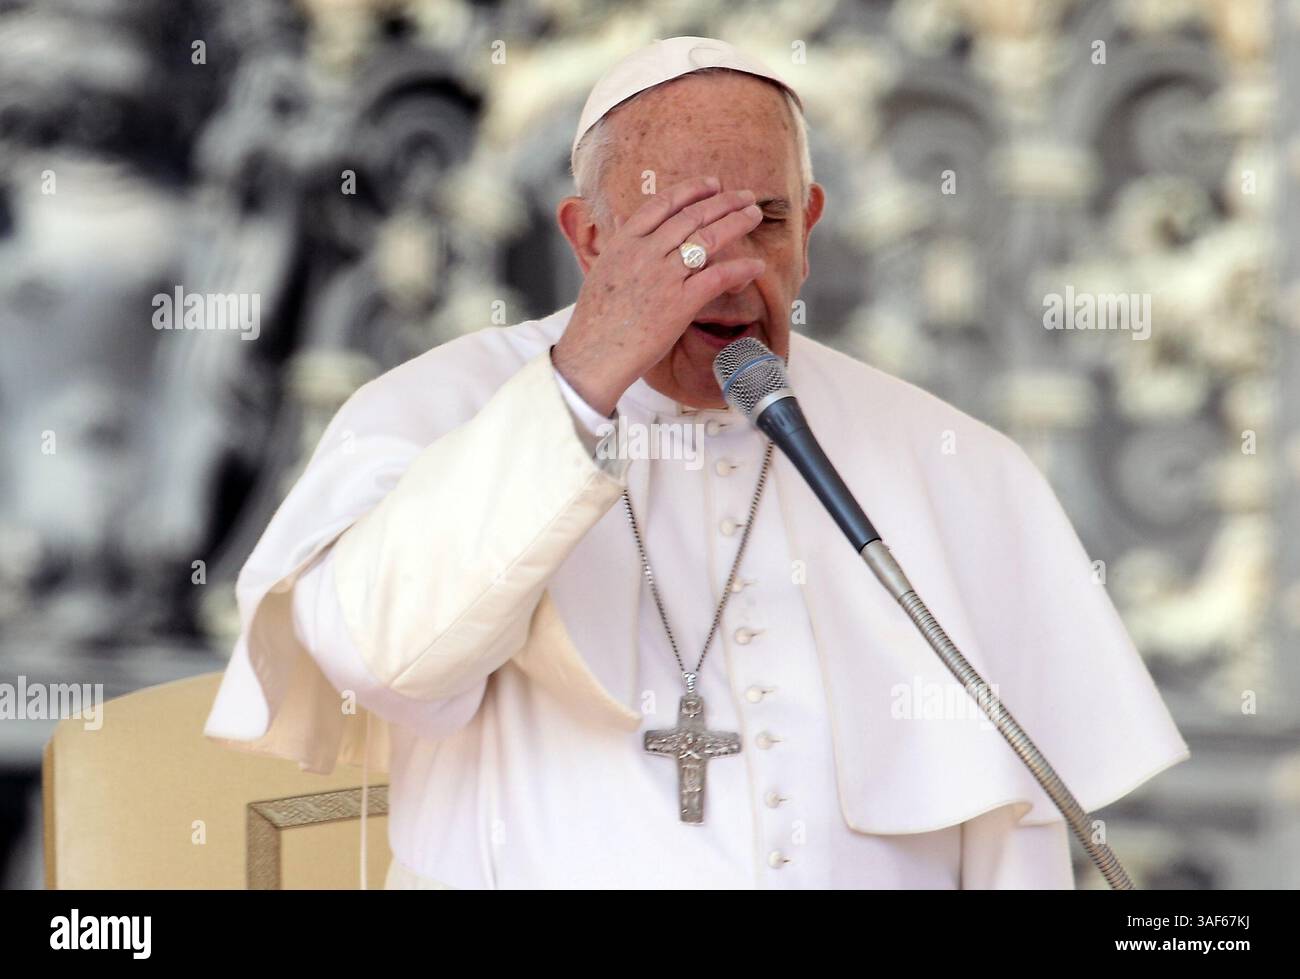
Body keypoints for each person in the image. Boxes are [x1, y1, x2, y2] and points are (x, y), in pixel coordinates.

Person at [204, 36, 1189, 888]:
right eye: (670, 224)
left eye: (760, 220)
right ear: (589, 238)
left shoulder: (956, 466)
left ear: (807, 228)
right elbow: (378, 658)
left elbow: (1013, 828)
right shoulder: (432, 408)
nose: (722, 266)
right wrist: (580, 380)